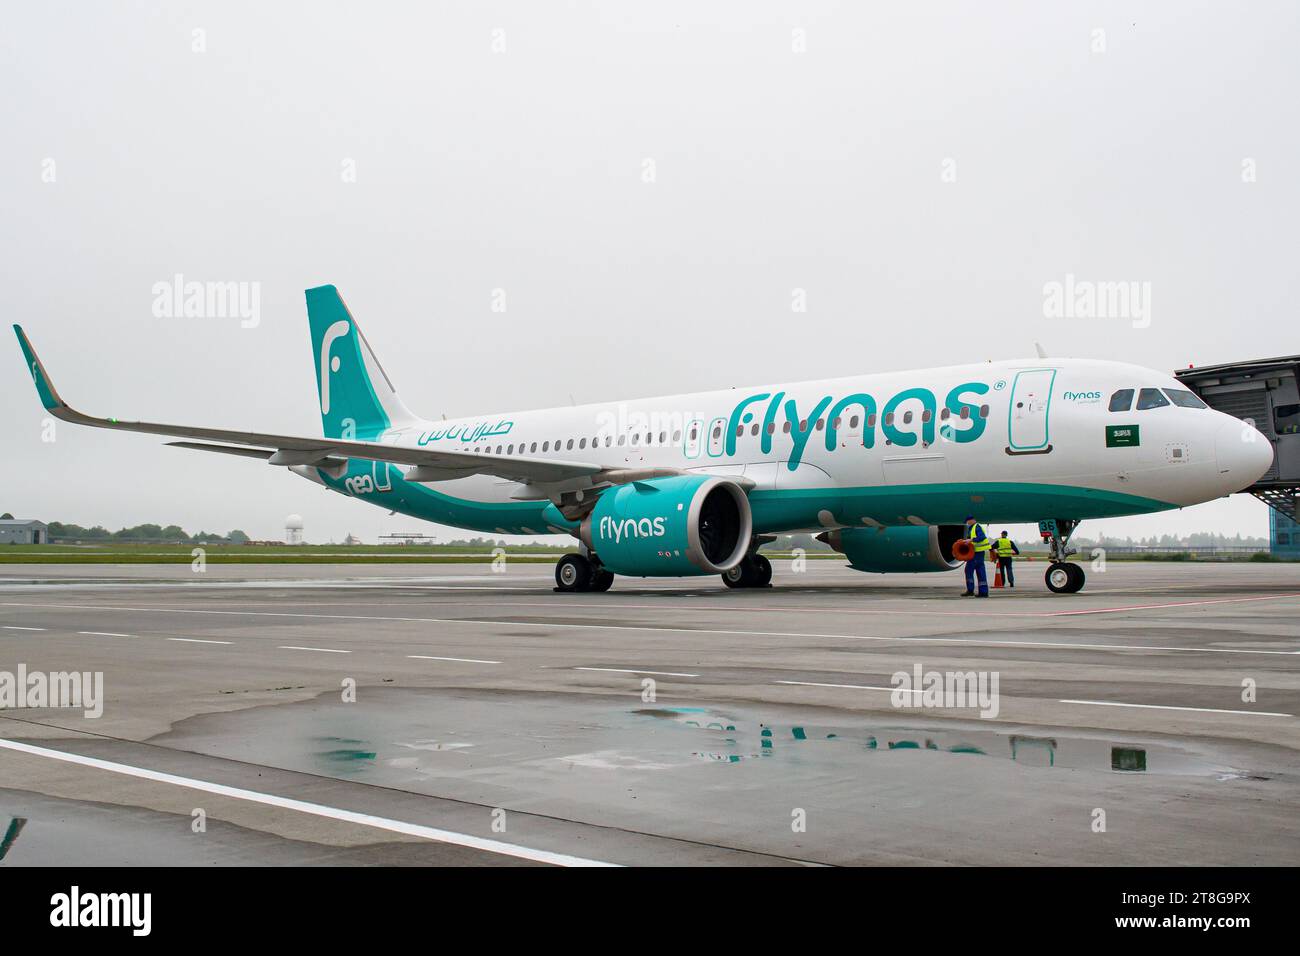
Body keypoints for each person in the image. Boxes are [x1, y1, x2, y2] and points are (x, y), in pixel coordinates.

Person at [962, 515, 991, 597]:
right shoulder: (972, 528)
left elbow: (981, 537)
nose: (967, 524)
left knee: (969, 570)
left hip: (976, 553)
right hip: (978, 553)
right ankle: (983, 592)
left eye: (967, 522)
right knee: (980, 571)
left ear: (971, 520)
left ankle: (970, 590)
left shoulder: (976, 527)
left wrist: (971, 540)